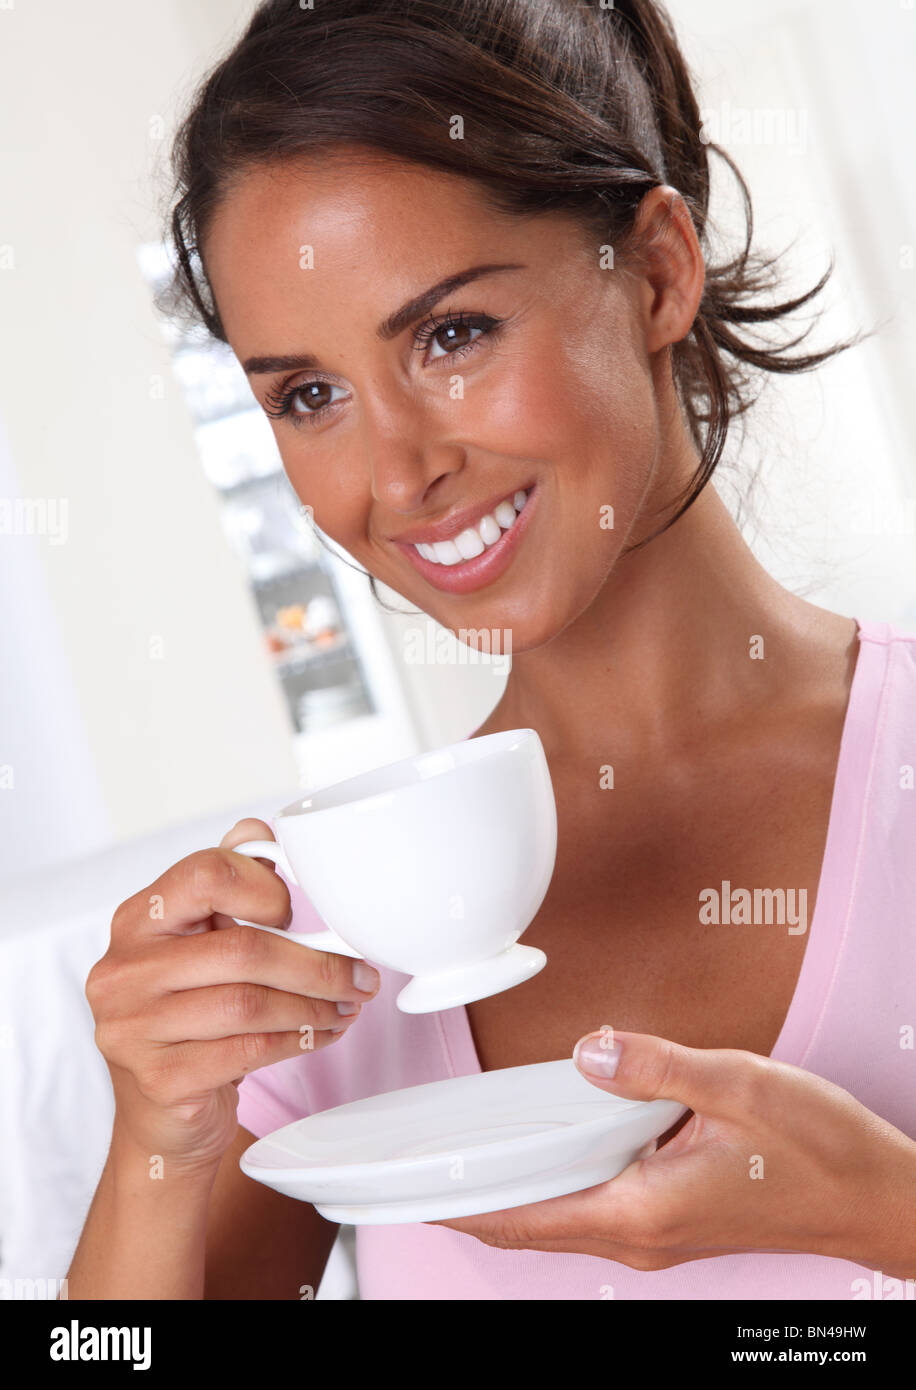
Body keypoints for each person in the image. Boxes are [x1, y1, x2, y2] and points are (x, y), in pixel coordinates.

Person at [67, 0, 916, 1299]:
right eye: (309, 396)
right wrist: (156, 1144)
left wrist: (884, 1210)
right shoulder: (322, 933)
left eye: (452, 335)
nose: (396, 473)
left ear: (657, 272)